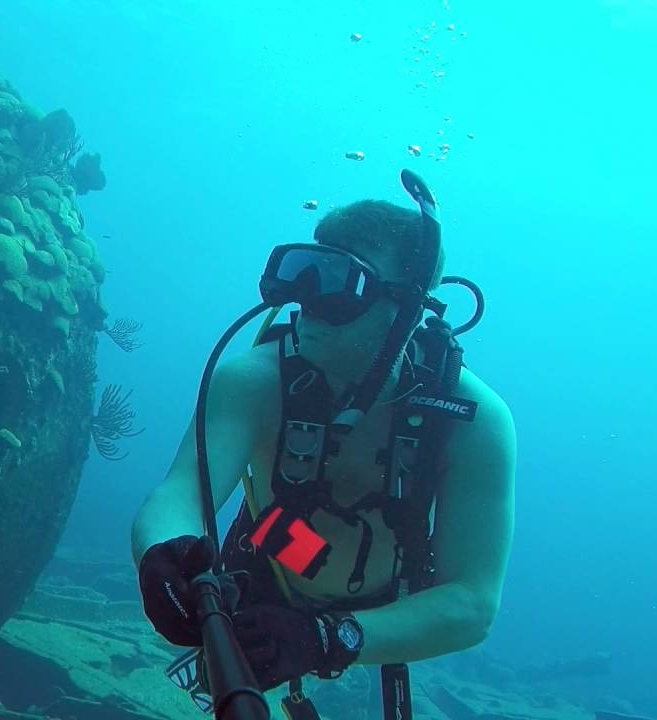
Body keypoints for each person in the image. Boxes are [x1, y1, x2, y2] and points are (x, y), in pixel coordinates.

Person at [131, 171, 516, 716]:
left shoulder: (472, 421)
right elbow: (182, 494)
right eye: (304, 273)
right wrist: (158, 553)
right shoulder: (254, 380)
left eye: (341, 282)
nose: (308, 302)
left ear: (405, 307)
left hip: (387, 612)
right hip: (270, 564)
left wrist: (327, 639)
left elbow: (472, 604)